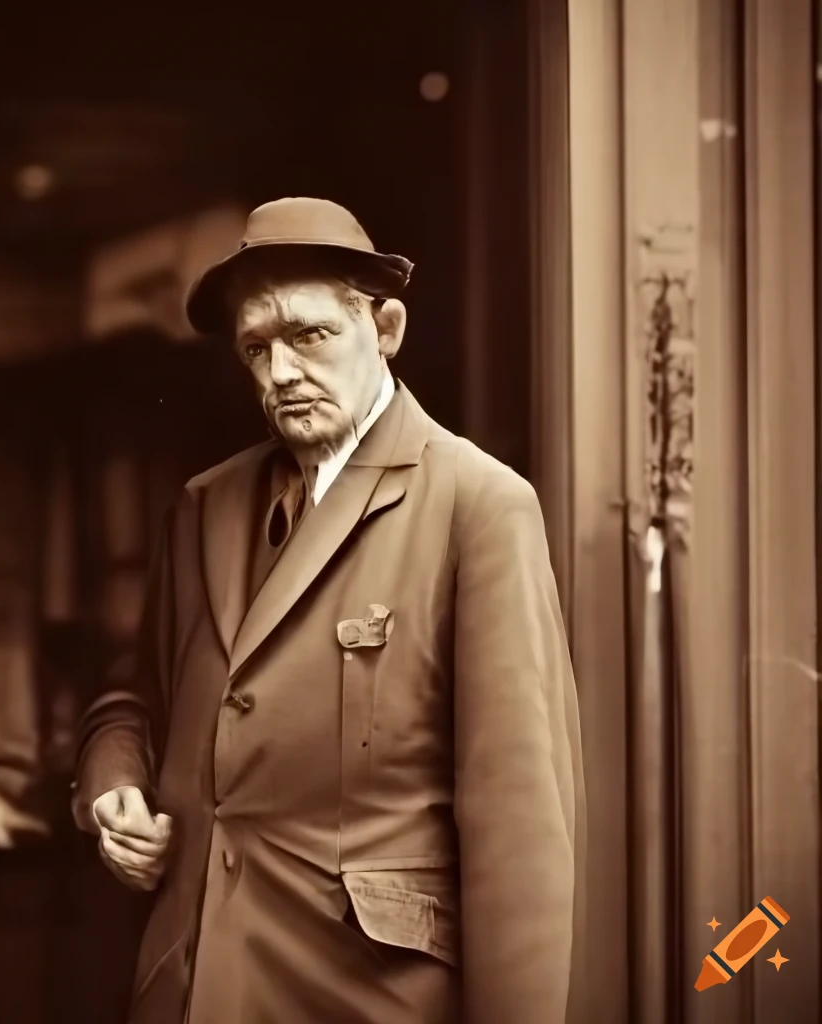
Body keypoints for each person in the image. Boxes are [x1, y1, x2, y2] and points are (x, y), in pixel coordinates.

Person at [72, 197, 586, 1023]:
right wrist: (112, 787)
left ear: (384, 330)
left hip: (367, 998)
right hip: (196, 984)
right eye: (256, 348)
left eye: (309, 336)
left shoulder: (477, 504)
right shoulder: (205, 506)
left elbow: (518, 822)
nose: (279, 373)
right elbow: (131, 700)